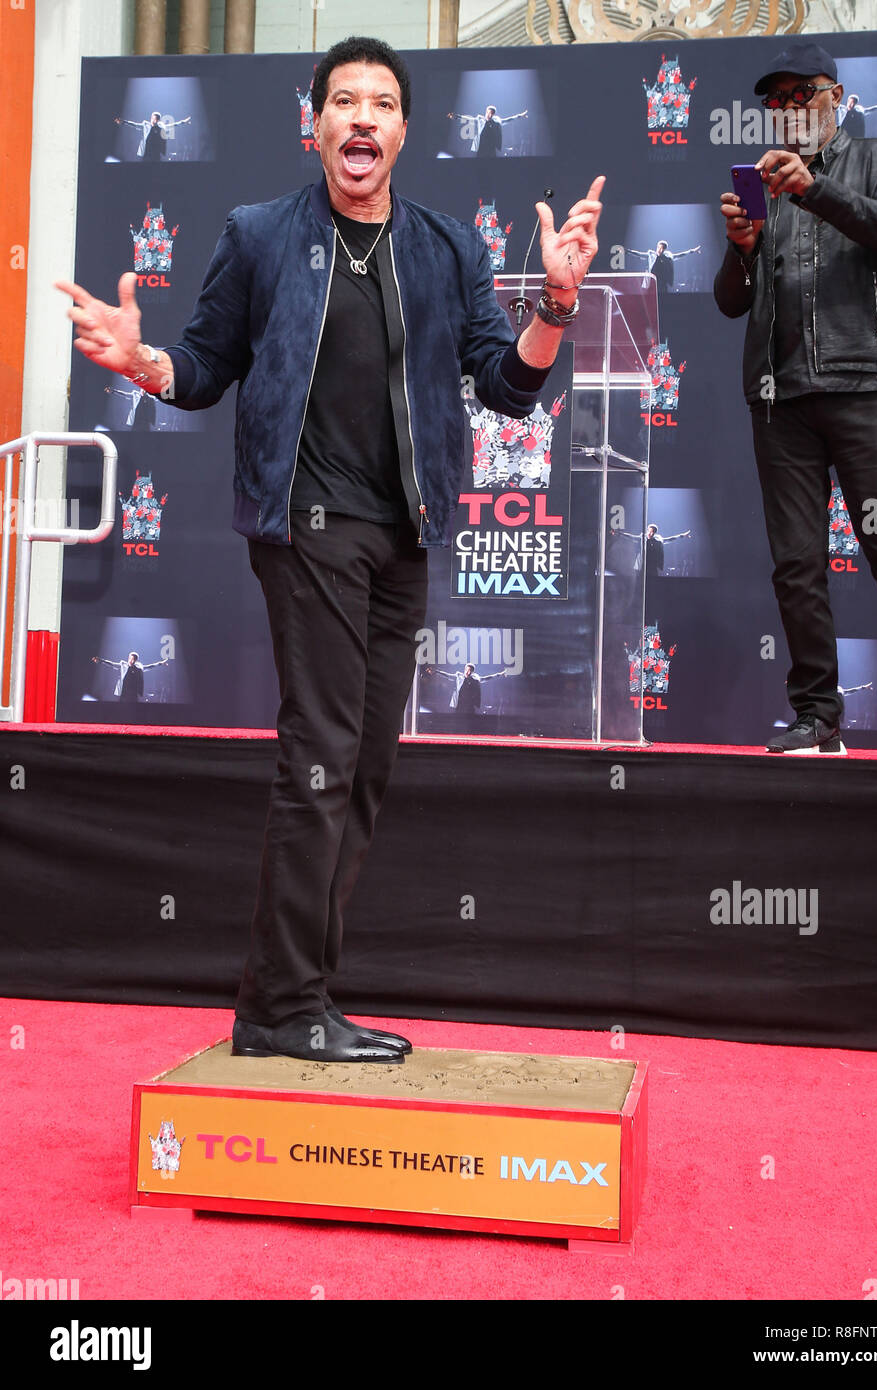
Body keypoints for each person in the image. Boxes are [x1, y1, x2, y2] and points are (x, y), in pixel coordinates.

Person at [61, 36, 604, 1062]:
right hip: (304, 523)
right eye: (342, 101)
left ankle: (295, 996)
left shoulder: (444, 249)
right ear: (312, 124)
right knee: (319, 754)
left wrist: (556, 306)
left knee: (361, 766)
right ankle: (279, 1008)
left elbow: (506, 388)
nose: (360, 118)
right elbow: (204, 365)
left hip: (405, 533)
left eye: (381, 103)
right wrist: (139, 362)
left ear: (404, 132)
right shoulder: (260, 234)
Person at [714, 40, 877, 757]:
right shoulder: (759, 185)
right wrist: (741, 247)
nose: (788, 109)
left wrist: (813, 187)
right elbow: (730, 303)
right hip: (781, 402)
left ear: (836, 97)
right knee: (797, 566)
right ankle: (817, 718)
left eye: (801, 93)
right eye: (774, 100)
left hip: (866, 389)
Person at [447, 105, 527, 157]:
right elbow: (469, 119)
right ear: (486, 112)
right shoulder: (480, 120)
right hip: (481, 147)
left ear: (494, 114)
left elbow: (509, 119)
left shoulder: (496, 122)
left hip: (491, 148)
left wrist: (520, 116)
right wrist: (457, 116)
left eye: (492, 114)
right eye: (489, 113)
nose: (490, 115)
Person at [625, 241, 701, 293]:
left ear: (664, 250)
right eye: (659, 248)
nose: (660, 250)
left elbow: (680, 254)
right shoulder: (651, 255)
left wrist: (692, 251)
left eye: (662, 249)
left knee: (662, 297)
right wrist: (627, 251)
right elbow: (638, 254)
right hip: (651, 281)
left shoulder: (668, 257)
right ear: (657, 247)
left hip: (662, 283)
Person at [114, 112, 192, 161]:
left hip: (156, 154)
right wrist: (123, 122)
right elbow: (134, 124)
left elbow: (173, 125)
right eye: (153, 119)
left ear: (159, 120)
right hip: (146, 153)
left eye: (157, 120)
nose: (154, 121)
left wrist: (183, 122)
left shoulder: (160, 128)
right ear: (151, 118)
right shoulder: (145, 125)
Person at [93, 651, 168, 701]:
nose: (131, 661)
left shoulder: (139, 668)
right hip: (123, 692)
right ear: (128, 658)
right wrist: (101, 660)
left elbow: (150, 666)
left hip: (133, 692)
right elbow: (111, 664)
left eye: (134, 659)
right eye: (131, 659)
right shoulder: (123, 665)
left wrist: (161, 663)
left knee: (133, 707)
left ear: (136, 660)